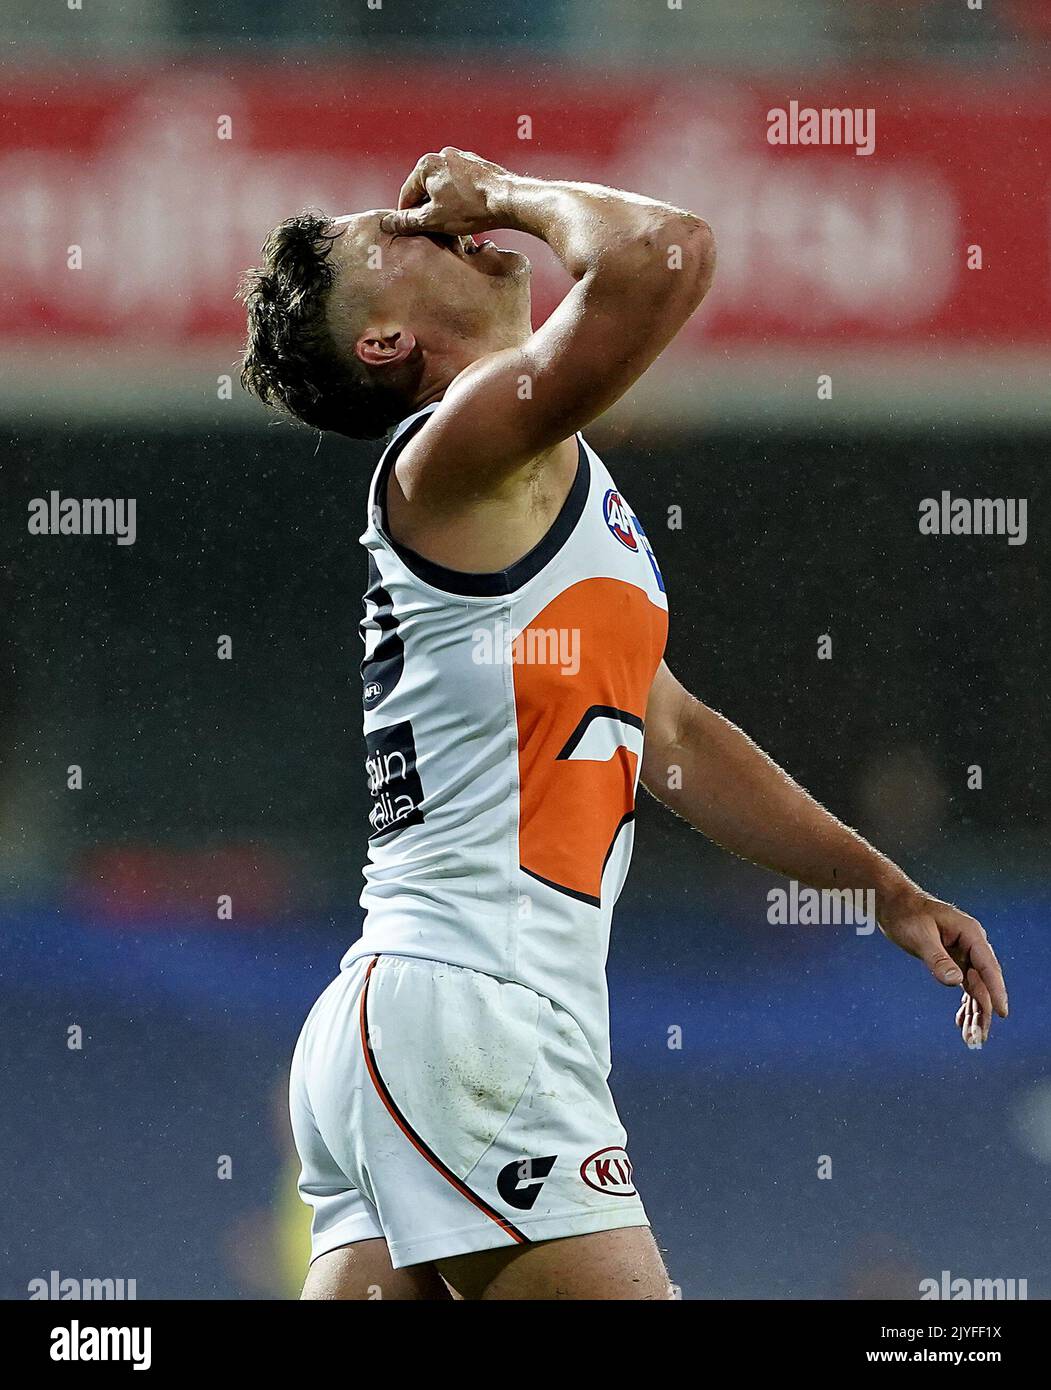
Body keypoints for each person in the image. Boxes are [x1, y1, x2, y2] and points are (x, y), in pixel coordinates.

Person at [239, 149, 1008, 1300]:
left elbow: (676, 738)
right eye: (394, 233)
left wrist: (885, 888)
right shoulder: (459, 450)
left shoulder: (545, 480)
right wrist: (504, 192)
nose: (437, 221)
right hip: (470, 1016)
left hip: (408, 1024)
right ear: (385, 343)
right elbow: (667, 254)